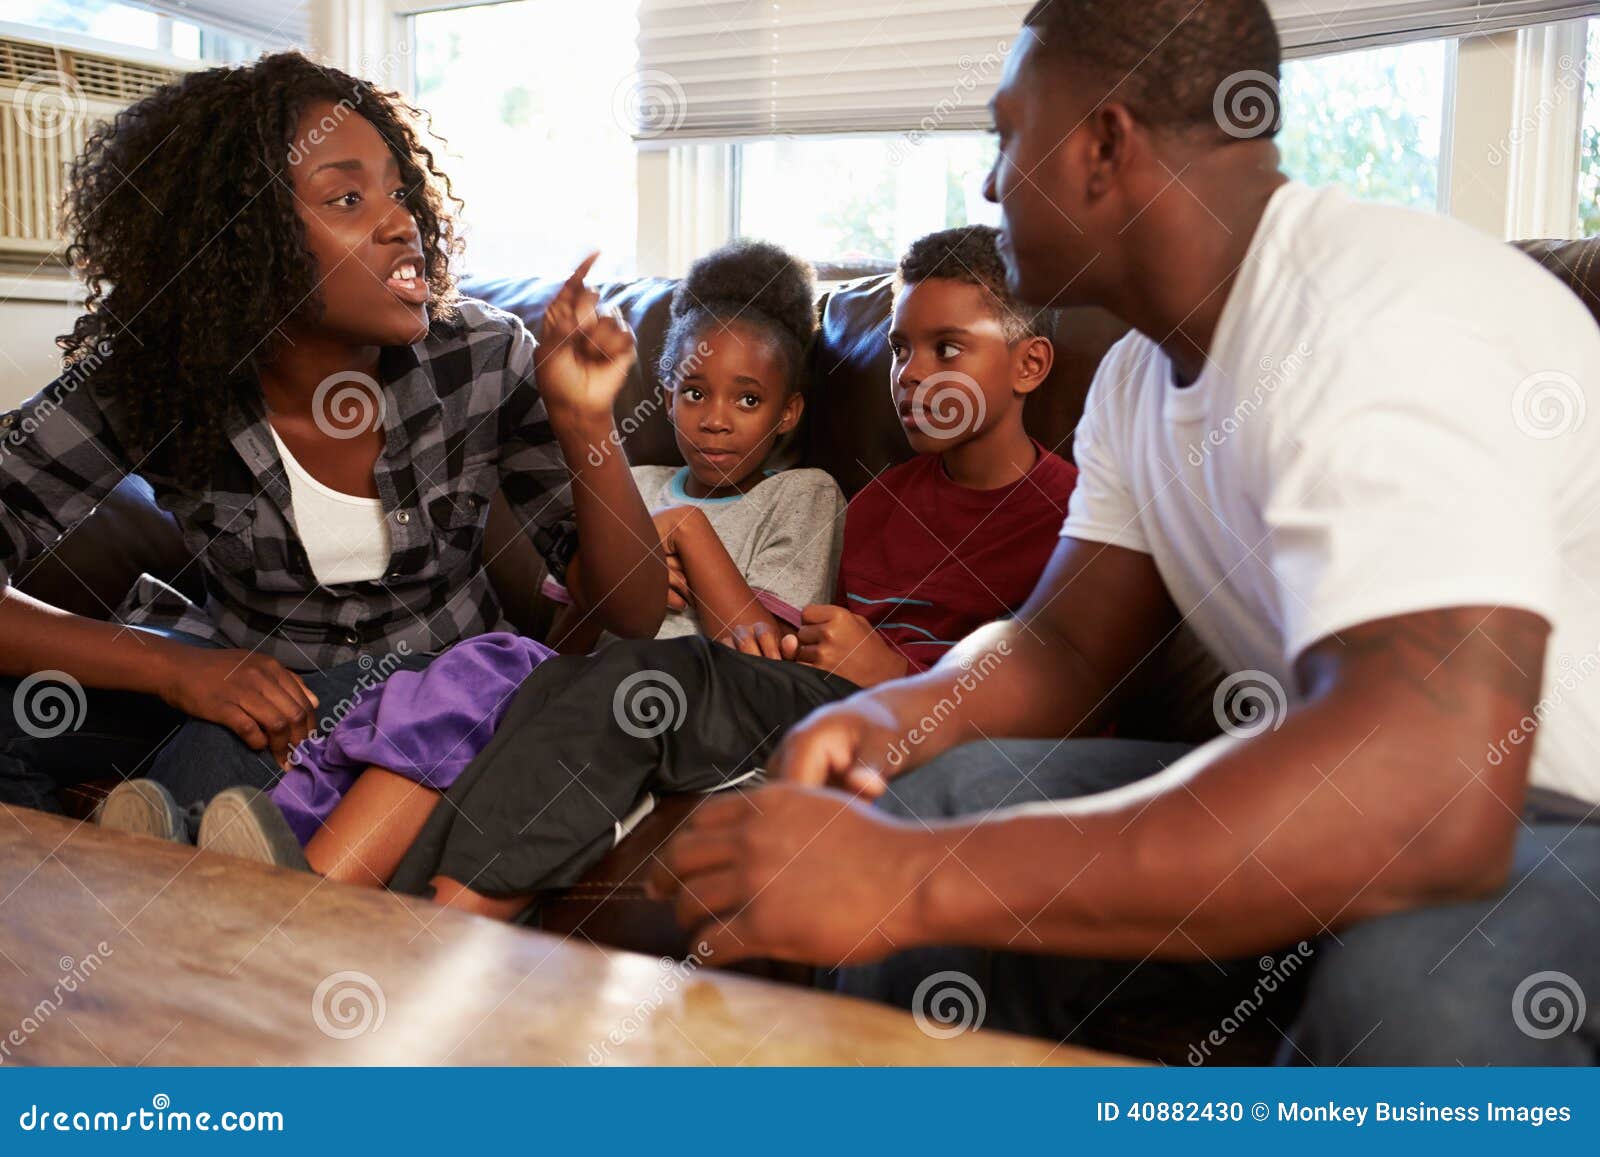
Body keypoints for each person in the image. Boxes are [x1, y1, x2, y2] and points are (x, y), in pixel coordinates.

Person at [649, 0, 1600, 1066]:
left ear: (1103, 144)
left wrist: (901, 879)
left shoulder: (1386, 316)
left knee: (1419, 977)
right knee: (935, 794)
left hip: (1554, 821)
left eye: (1008, 136)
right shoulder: (1141, 380)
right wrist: (897, 714)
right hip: (1337, 779)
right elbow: (1061, 648)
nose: (991, 181)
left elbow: (1428, 786)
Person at [0, 52, 664, 833]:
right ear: (245, 243)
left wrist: (587, 425)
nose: (400, 221)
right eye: (349, 197)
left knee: (210, 765)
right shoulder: (160, 377)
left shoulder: (480, 358)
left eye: (398, 189)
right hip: (244, 679)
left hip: (433, 698)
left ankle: (178, 858)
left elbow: (633, 615)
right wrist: (174, 666)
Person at [355, 224, 1078, 919]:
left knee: (652, 678)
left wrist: (887, 673)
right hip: (825, 706)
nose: (913, 373)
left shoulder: (1070, 514)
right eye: (898, 349)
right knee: (551, 679)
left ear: (1029, 365)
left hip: (914, 724)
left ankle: (445, 919)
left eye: (946, 348)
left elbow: (1065, 701)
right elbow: (795, 660)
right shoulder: (881, 501)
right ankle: (399, 908)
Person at [186, 240, 846, 881]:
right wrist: (630, 567)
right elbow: (572, 638)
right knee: (407, 705)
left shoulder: (803, 494)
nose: (716, 420)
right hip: (571, 694)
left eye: (748, 399)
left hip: (666, 718)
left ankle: (303, 890)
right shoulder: (629, 483)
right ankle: (220, 852)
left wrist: (687, 535)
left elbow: (764, 665)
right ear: (666, 391)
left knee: (476, 672)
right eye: (694, 392)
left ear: (789, 412)